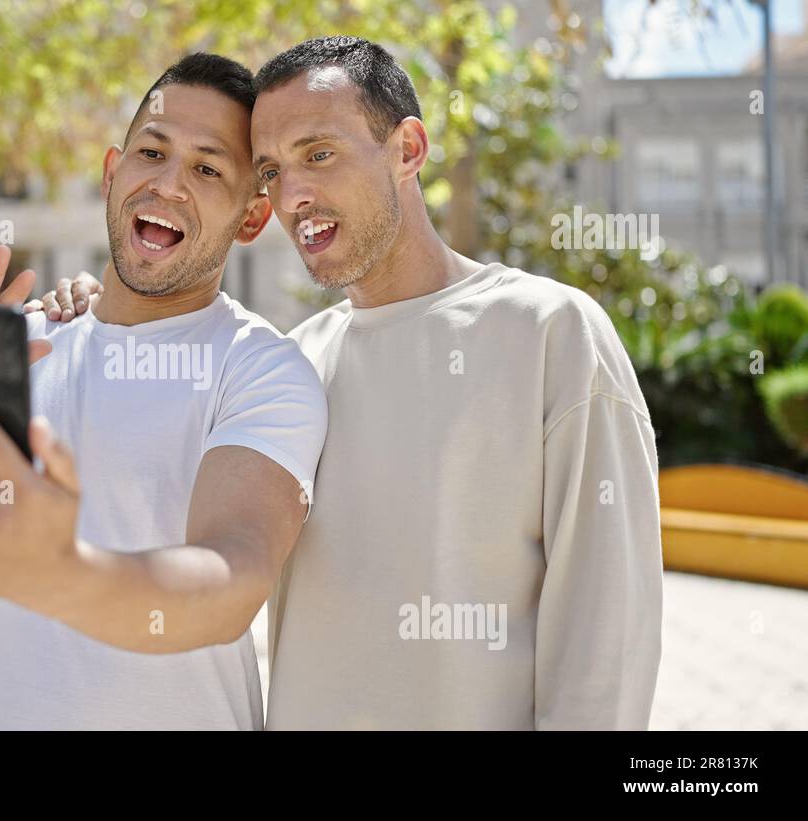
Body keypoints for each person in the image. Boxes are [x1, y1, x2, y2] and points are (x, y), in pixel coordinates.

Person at [35, 36, 663, 730]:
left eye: (320, 154)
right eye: (270, 172)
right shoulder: (294, 364)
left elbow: (607, 638)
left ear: (408, 150)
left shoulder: (553, 333)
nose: (294, 195)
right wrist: (96, 316)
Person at [0, 54, 327, 730]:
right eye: (152, 151)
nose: (168, 183)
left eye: (208, 168)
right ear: (111, 172)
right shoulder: (17, 350)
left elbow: (232, 581)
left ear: (251, 216)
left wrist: (61, 572)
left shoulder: (262, 369)